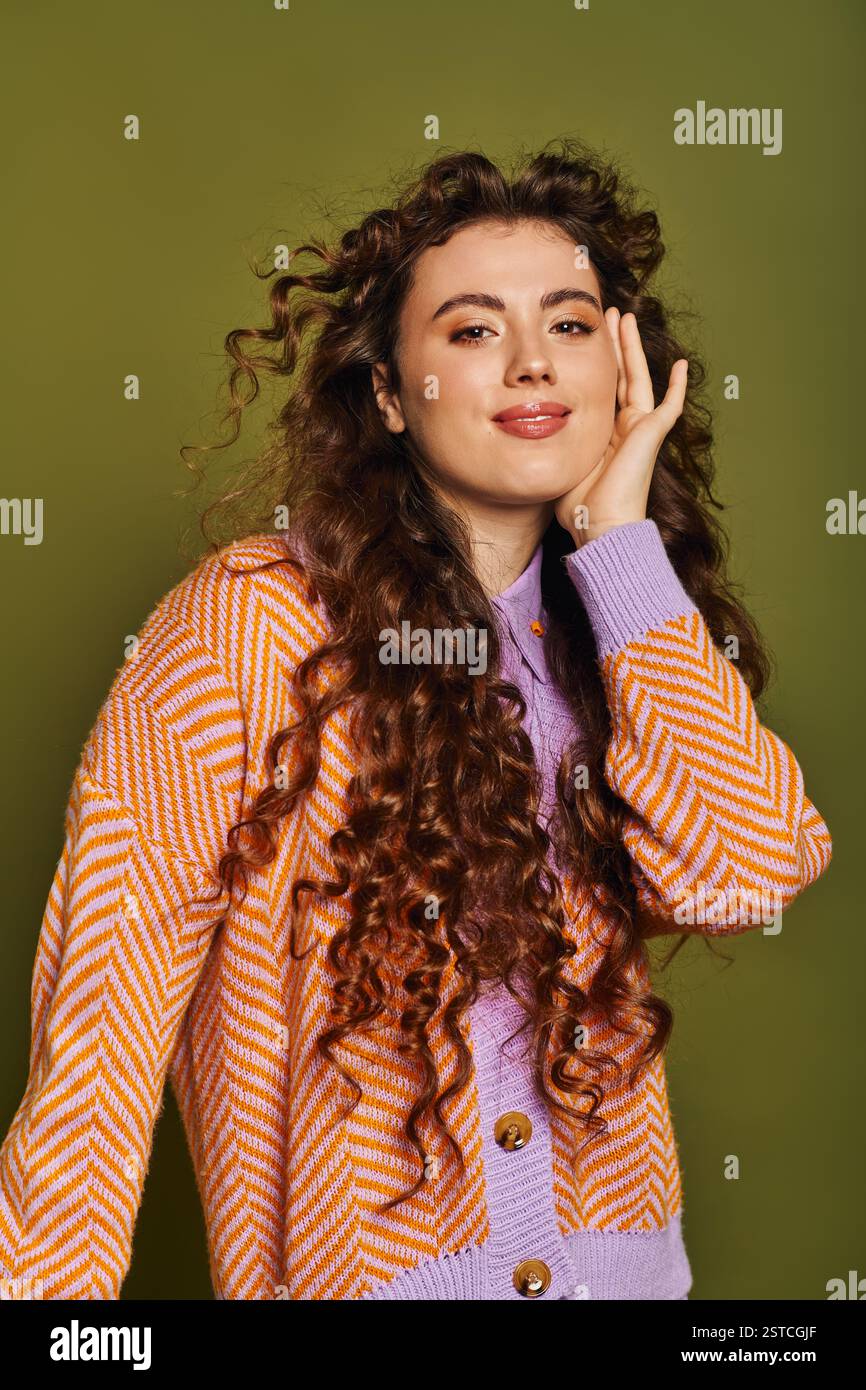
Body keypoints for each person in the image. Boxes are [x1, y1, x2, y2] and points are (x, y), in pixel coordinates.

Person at [0, 140, 832, 1301]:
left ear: (626, 373)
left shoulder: (623, 621)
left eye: (572, 324)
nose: (532, 363)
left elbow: (741, 875)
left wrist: (623, 550)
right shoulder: (245, 624)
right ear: (390, 393)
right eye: (474, 330)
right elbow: (105, 1016)